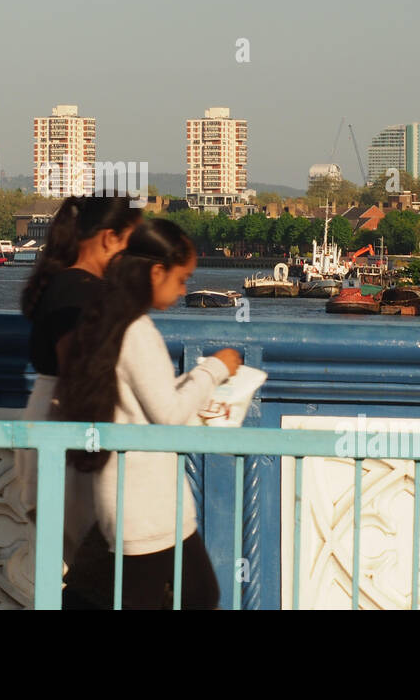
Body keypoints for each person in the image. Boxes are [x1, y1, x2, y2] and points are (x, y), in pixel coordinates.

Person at [55, 219, 241, 610]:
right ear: (157, 271)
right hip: (144, 509)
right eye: (182, 279)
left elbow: (148, 400)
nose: (184, 290)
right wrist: (215, 369)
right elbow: (169, 414)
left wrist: (194, 380)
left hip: (147, 503)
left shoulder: (112, 320)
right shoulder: (137, 331)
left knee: (193, 594)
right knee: (191, 596)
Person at [15, 196, 142, 575]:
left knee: (85, 572)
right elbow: (80, 370)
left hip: (55, 425)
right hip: (70, 432)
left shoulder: (65, 284)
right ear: (108, 239)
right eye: (129, 244)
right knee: (96, 572)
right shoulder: (80, 292)